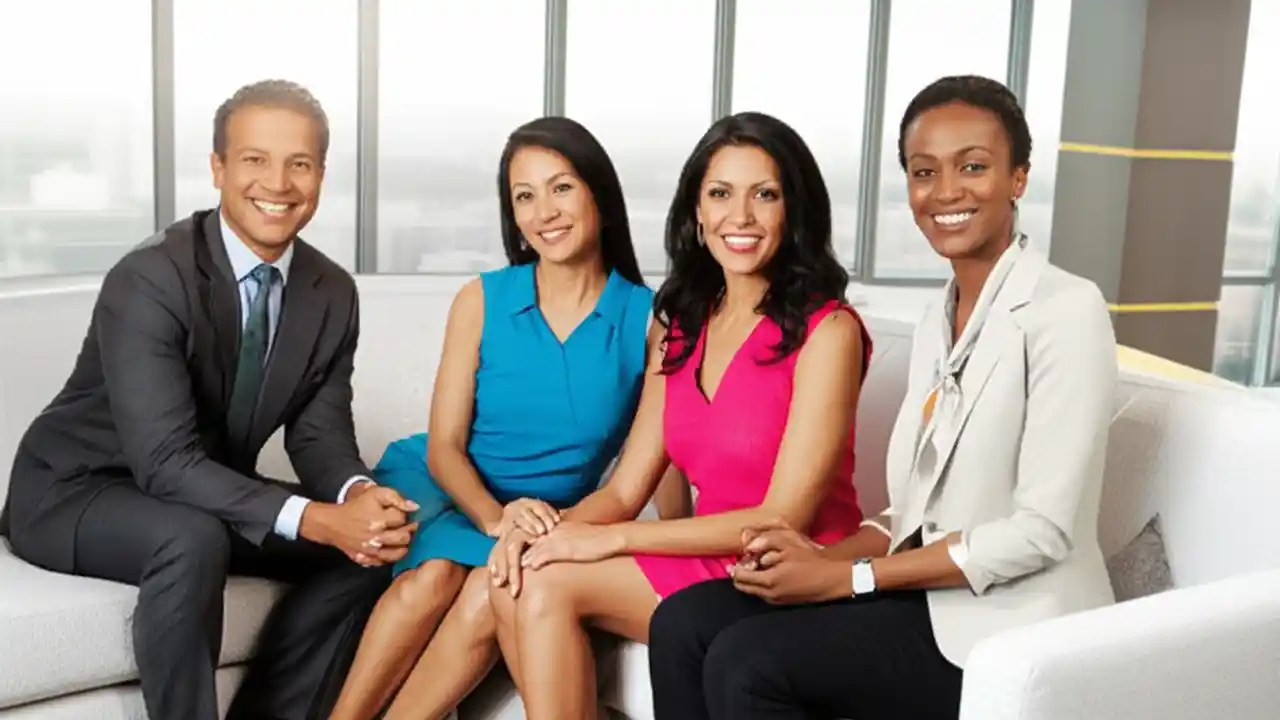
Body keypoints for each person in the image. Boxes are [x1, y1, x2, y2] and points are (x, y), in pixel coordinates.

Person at [647, 75, 1119, 720]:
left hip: (1011, 628)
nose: (946, 191)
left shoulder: (1067, 309)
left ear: (1019, 178)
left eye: (973, 166)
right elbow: (913, 513)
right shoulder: (940, 318)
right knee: (683, 624)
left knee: (748, 663)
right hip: (923, 596)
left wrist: (849, 578)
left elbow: (1040, 534)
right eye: (925, 172)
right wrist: (820, 559)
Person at [0, 80, 417, 720]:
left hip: (207, 487)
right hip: (74, 492)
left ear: (321, 176)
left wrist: (356, 500)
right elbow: (164, 462)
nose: (277, 183)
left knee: (364, 554)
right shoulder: (150, 278)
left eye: (298, 163)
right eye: (254, 159)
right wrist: (312, 518)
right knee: (191, 538)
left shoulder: (331, 291)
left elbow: (319, 435)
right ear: (219, 168)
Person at [487, 111, 872, 720]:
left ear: (792, 211)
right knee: (521, 570)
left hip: (785, 565)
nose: (739, 217)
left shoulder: (829, 332)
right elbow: (625, 488)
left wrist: (608, 539)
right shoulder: (681, 325)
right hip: (700, 550)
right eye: (720, 194)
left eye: (763, 195)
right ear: (697, 211)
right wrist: (546, 534)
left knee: (545, 586)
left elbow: (783, 516)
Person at [327, 116, 661, 720]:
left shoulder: (646, 321)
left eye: (561, 187)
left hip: (542, 516)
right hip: (445, 486)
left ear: (599, 195)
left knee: (489, 587)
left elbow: (655, 461)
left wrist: (677, 545)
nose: (544, 212)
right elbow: (444, 447)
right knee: (429, 582)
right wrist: (494, 519)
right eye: (524, 197)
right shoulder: (481, 298)